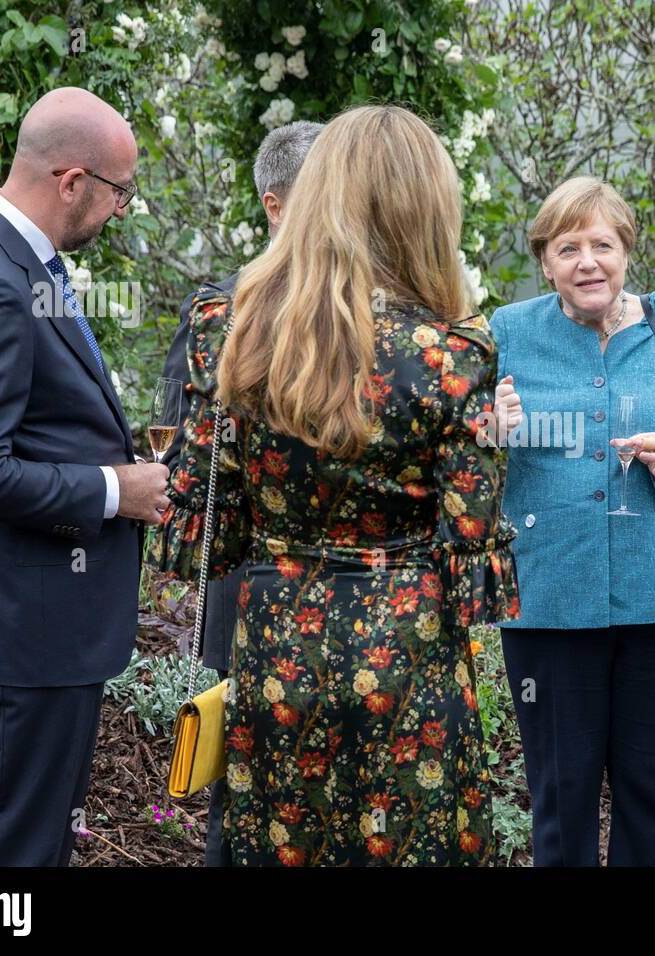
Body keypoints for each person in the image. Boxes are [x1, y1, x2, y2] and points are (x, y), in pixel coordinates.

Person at [153, 104, 518, 866]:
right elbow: (470, 551)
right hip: (408, 653)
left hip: (277, 644)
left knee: (281, 842)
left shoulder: (232, 326)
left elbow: (205, 531)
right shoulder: (453, 351)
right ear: (425, 206)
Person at [0, 87, 168, 866]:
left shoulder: (13, 258)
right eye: (120, 190)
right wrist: (113, 490)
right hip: (20, 634)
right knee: (12, 854)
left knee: (34, 844)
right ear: (71, 180)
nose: (122, 210)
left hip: (27, 622)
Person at [490, 176, 655, 866]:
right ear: (545, 260)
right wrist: (489, 428)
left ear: (627, 250)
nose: (587, 261)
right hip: (550, 602)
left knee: (650, 802)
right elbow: (466, 452)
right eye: (568, 247)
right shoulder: (507, 332)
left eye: (602, 244)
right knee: (560, 806)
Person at [157, 119, 324, 867]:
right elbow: (180, 473)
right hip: (249, 583)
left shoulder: (393, 315)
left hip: (361, 596)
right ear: (274, 205)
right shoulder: (217, 315)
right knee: (246, 791)